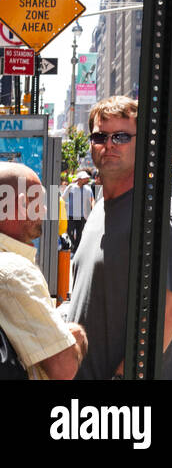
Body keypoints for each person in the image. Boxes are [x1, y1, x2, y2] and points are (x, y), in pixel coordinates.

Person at [64, 96, 172, 380]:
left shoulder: (156, 215)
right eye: (100, 136)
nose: (109, 145)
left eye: (121, 136)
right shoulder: (99, 209)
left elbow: (170, 313)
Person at [0, 162, 88, 380]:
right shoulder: (15, 272)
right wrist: (76, 339)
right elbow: (63, 369)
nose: (46, 209)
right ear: (21, 205)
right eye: (38, 199)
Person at [62, 172, 95, 254]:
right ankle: (73, 245)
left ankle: (75, 250)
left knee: (79, 234)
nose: (87, 180)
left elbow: (92, 200)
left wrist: (93, 208)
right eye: (85, 178)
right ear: (80, 179)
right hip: (71, 214)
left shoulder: (88, 189)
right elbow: (63, 198)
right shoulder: (71, 187)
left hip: (82, 215)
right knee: (69, 231)